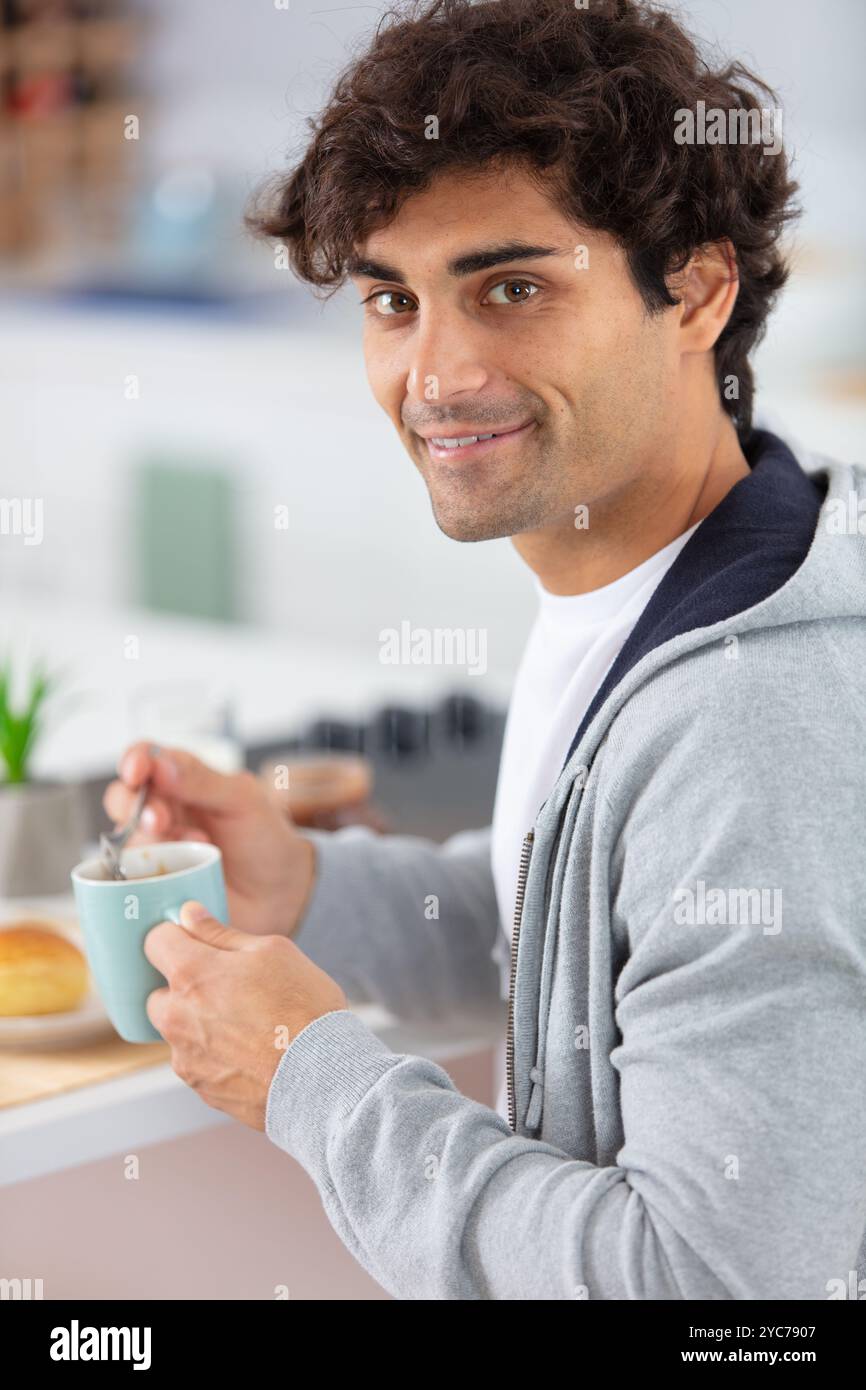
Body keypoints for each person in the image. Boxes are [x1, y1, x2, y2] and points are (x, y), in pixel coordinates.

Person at [104, 0, 866, 1299]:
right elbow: (606, 928)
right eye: (391, 299)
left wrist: (311, 1076)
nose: (437, 373)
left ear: (693, 287)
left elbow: (721, 1292)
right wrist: (301, 888)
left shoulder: (744, 716)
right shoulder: (687, 565)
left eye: (509, 287)